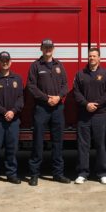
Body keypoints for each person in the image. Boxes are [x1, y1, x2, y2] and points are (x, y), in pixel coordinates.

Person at [27, 39, 70, 185]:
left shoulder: (59, 65)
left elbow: (65, 85)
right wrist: (47, 98)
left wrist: (58, 97)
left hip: (57, 108)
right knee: (38, 141)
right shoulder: (35, 65)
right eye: (45, 47)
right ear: (41, 48)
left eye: (50, 47)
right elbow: (31, 86)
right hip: (41, 108)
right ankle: (34, 174)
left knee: (58, 142)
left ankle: (58, 173)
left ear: (53, 48)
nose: (48, 49)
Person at [71, 47, 106, 185]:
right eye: (90, 56)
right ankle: (83, 173)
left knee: (101, 144)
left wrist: (96, 104)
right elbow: (76, 93)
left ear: (99, 58)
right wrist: (86, 104)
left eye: (95, 56)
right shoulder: (80, 74)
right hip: (84, 115)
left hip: (100, 115)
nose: (92, 58)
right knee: (83, 145)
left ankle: (102, 173)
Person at [0, 51, 24, 187]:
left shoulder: (17, 79)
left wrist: (12, 112)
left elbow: (20, 99)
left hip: (13, 120)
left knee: (12, 148)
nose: (5, 63)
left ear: (10, 62)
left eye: (7, 60)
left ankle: (11, 174)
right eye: (2, 60)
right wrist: (4, 112)